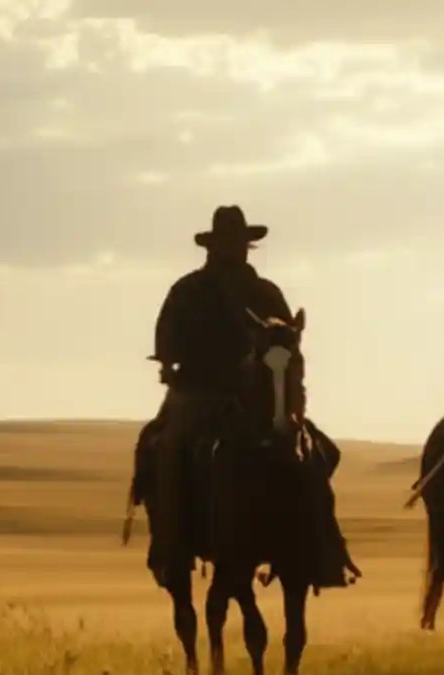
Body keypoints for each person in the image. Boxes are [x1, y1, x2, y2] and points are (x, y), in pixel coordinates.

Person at [136, 205, 357, 589]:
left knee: (321, 454)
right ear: (213, 245)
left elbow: (289, 346)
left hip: (260, 396)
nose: (235, 249)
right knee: (167, 448)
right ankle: (170, 545)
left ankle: (323, 549)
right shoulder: (188, 291)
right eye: (229, 242)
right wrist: (175, 364)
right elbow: (166, 341)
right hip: (199, 393)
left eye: (240, 242)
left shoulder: (266, 292)